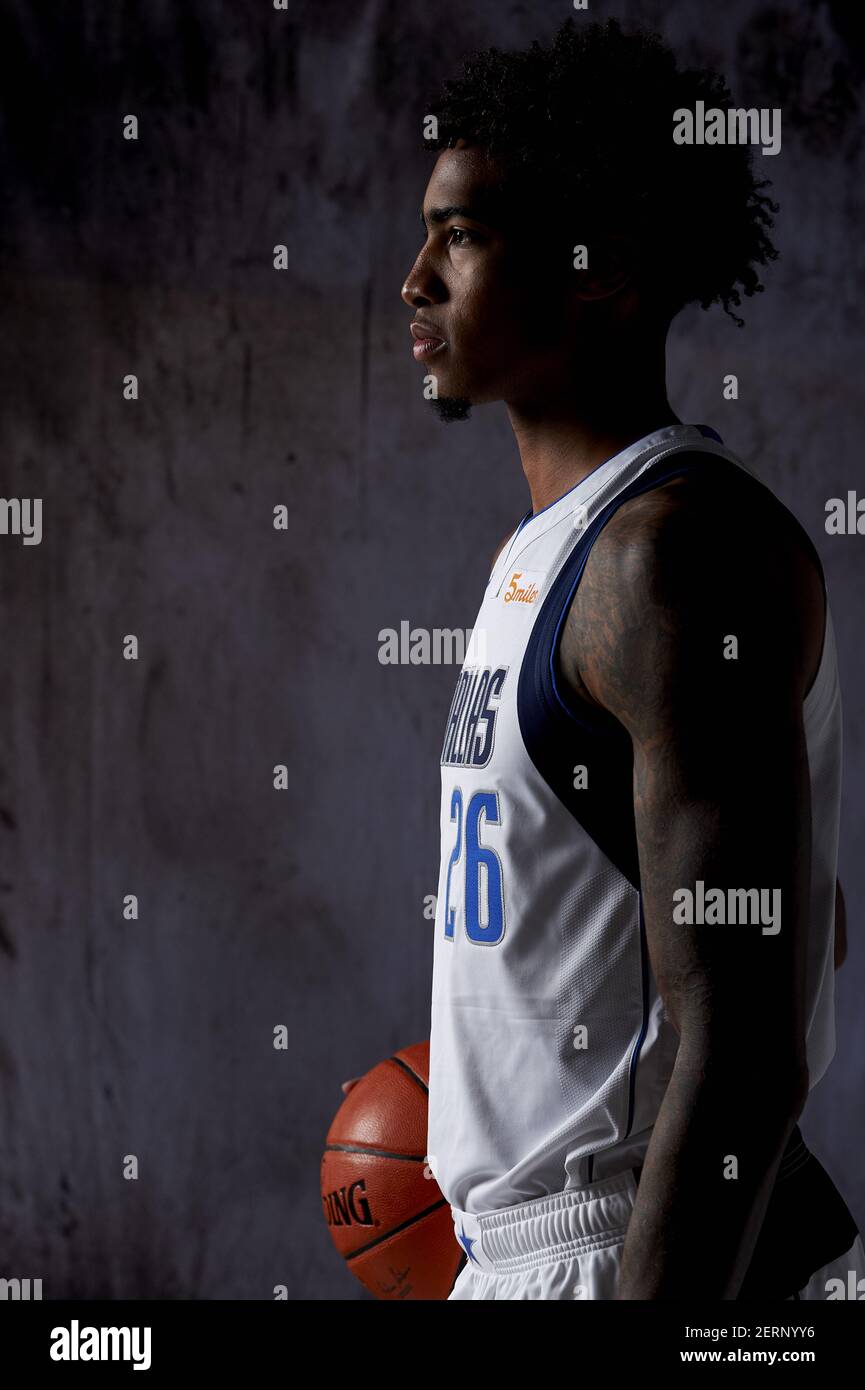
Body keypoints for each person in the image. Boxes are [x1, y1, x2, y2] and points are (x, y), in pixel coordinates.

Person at [400, 18, 864, 1300]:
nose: (415, 279)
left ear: (597, 268)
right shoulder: (547, 556)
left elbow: (745, 1044)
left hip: (632, 1258)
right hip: (536, 1245)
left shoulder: (667, 555)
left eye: (464, 233)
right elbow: (798, 917)